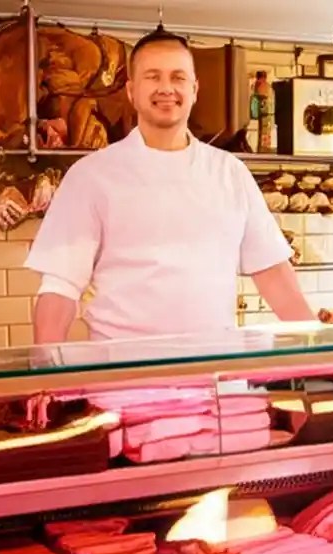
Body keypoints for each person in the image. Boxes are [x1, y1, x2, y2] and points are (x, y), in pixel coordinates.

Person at [25, 27, 315, 343]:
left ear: (194, 89)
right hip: (124, 378)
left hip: (217, 377)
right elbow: (60, 288)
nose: (166, 88)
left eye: (178, 77)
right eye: (153, 77)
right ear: (131, 91)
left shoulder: (230, 173)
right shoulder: (91, 176)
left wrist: (323, 349)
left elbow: (273, 273)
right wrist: (45, 372)